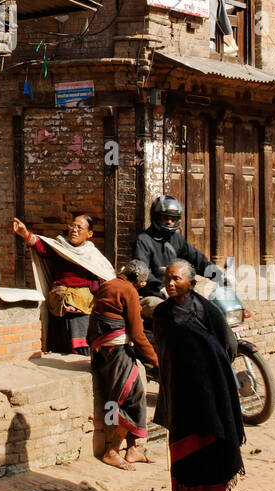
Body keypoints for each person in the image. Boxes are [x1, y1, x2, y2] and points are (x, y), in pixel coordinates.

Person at [152, 260, 245, 491]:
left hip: (210, 388)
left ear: (191, 284)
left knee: (210, 438)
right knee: (184, 441)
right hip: (180, 388)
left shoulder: (208, 311)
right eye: (168, 278)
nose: (170, 284)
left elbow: (227, 345)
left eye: (176, 279)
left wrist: (214, 373)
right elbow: (162, 348)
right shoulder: (162, 314)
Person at [12, 213, 115, 355]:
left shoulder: (93, 256)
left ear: (89, 233)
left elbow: (105, 279)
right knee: (58, 346)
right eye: (72, 225)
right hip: (59, 302)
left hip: (81, 308)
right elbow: (42, 247)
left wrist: (90, 295)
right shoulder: (60, 246)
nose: (74, 230)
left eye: (80, 227)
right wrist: (24, 233)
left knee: (80, 348)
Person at [87, 273, 159, 469]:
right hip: (117, 351)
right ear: (141, 282)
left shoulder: (109, 284)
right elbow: (137, 334)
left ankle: (133, 448)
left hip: (103, 350)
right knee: (128, 398)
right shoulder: (130, 291)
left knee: (122, 396)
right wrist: (155, 360)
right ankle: (112, 451)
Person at [133, 195, 224, 314]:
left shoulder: (177, 239)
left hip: (178, 292)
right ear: (156, 217)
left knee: (206, 308)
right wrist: (160, 288)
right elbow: (142, 271)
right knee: (172, 311)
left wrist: (219, 275)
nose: (169, 222)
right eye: (166, 218)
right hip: (152, 294)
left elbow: (197, 259)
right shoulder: (144, 240)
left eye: (173, 219)